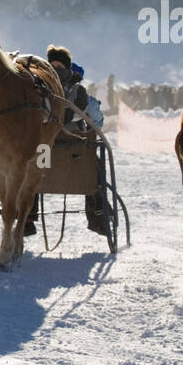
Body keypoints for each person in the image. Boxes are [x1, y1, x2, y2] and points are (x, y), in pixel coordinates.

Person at [45, 45, 108, 236]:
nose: (56, 69)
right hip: (46, 145)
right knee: (32, 168)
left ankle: (97, 215)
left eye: (59, 65)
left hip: (72, 145)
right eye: (52, 65)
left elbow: (93, 120)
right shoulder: (41, 87)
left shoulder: (77, 91)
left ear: (67, 67)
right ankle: (28, 218)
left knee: (94, 172)